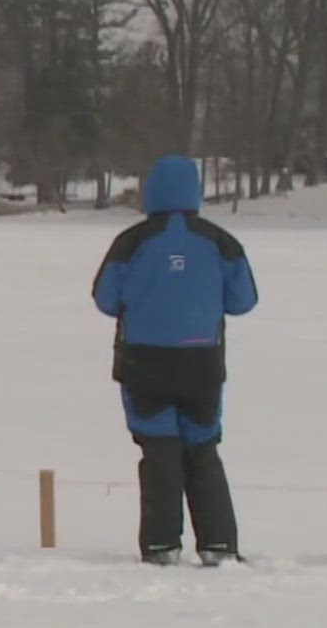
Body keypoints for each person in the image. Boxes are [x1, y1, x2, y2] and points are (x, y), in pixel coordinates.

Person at [93, 155, 258, 566]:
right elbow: (244, 300)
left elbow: (105, 299)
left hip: (144, 363)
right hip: (202, 362)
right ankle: (218, 543)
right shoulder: (220, 241)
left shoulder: (131, 242)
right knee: (203, 446)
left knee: (159, 449)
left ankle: (161, 544)